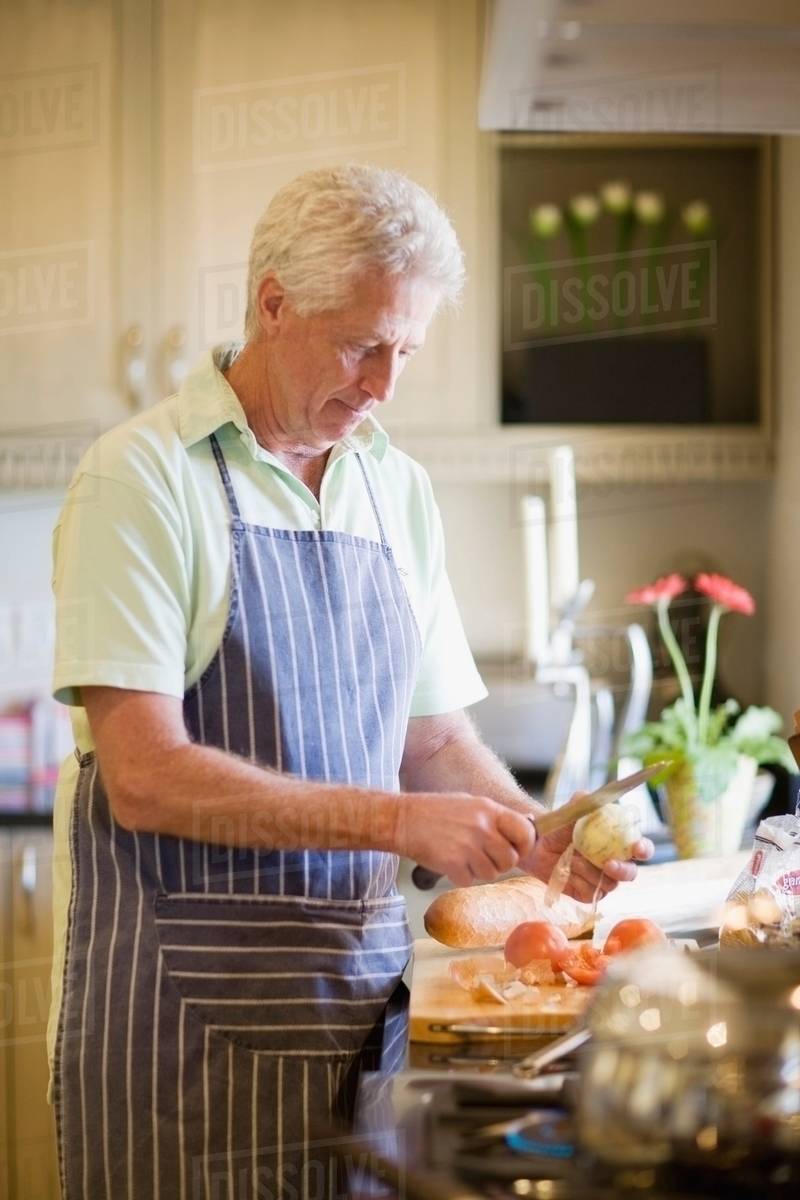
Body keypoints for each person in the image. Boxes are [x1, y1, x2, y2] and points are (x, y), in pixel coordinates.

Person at [49, 163, 652, 1199]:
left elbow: (431, 740)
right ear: (272, 304)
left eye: (406, 350)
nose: (383, 385)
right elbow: (144, 775)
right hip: (177, 1044)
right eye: (362, 343)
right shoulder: (141, 478)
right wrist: (397, 823)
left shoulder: (393, 486)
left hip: (357, 1022)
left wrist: (533, 835)